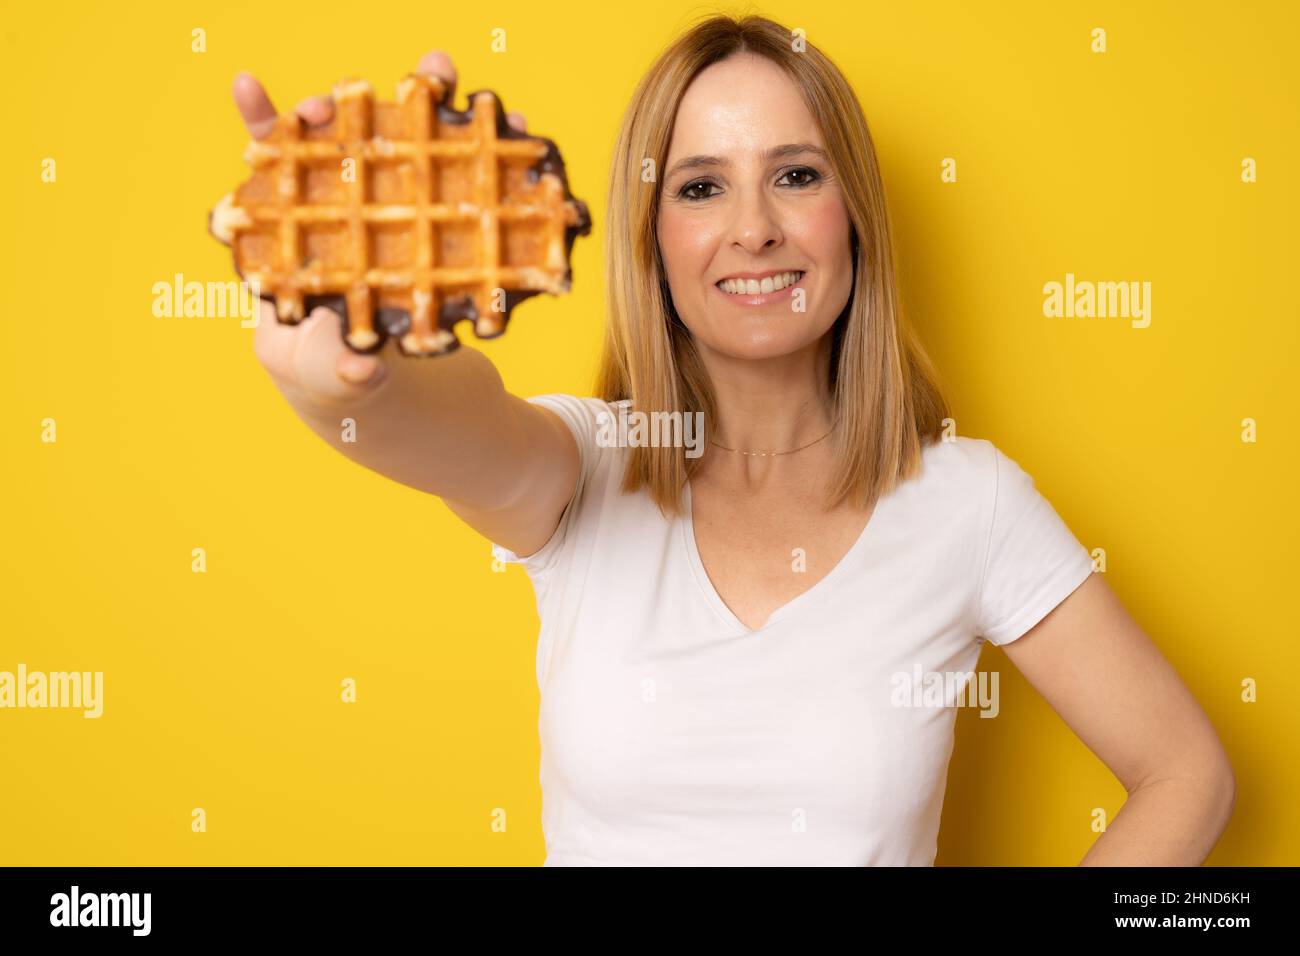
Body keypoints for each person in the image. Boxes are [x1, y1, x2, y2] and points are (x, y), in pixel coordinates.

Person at [232, 14, 1234, 865]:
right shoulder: (583, 470)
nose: (753, 229)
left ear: (854, 219)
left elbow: (1186, 772)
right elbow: (437, 422)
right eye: (701, 187)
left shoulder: (968, 502)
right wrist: (346, 376)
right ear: (651, 236)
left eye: (795, 175)